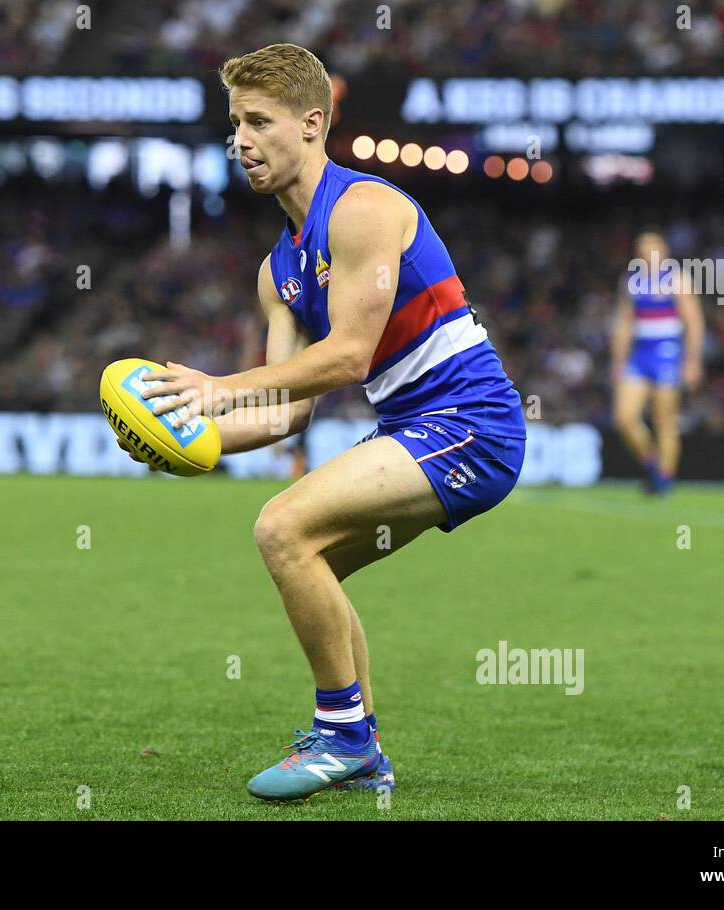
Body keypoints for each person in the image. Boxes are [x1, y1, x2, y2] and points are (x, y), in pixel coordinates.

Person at [127, 44, 527, 801]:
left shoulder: (366, 209)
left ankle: (341, 736)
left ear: (312, 125)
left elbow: (346, 359)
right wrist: (183, 442)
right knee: (316, 564)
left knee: (281, 529)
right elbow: (288, 413)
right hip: (415, 428)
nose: (240, 140)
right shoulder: (276, 270)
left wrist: (218, 386)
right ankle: (364, 748)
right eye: (234, 123)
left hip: (472, 424)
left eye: (259, 122)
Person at [610, 231, 704, 494]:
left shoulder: (677, 279)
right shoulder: (631, 281)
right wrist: (618, 361)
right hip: (639, 356)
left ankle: (664, 478)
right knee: (624, 418)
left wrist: (692, 361)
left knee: (664, 419)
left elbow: (694, 321)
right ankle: (651, 464)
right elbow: (625, 323)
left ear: (664, 252)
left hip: (668, 354)